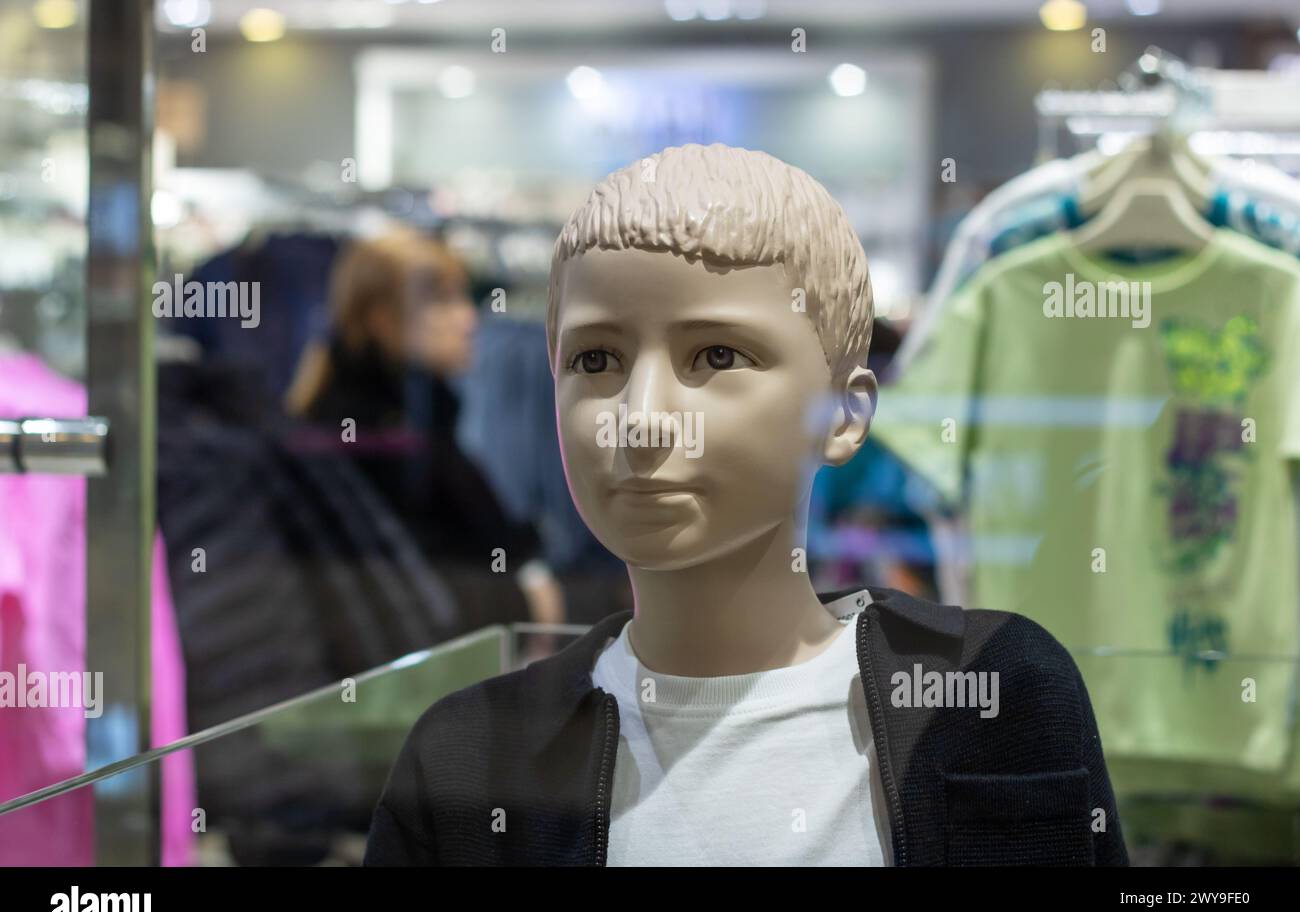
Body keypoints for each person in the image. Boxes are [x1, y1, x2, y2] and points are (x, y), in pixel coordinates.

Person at [363, 145, 1127, 866]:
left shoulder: (994, 696)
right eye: (596, 359)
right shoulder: (464, 762)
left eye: (718, 356)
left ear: (845, 415)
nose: (644, 416)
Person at [286, 229, 564, 635]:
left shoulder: (422, 415)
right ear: (382, 318)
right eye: (442, 301)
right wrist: (523, 603)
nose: (469, 319)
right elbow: (395, 594)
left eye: (463, 298)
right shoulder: (361, 438)